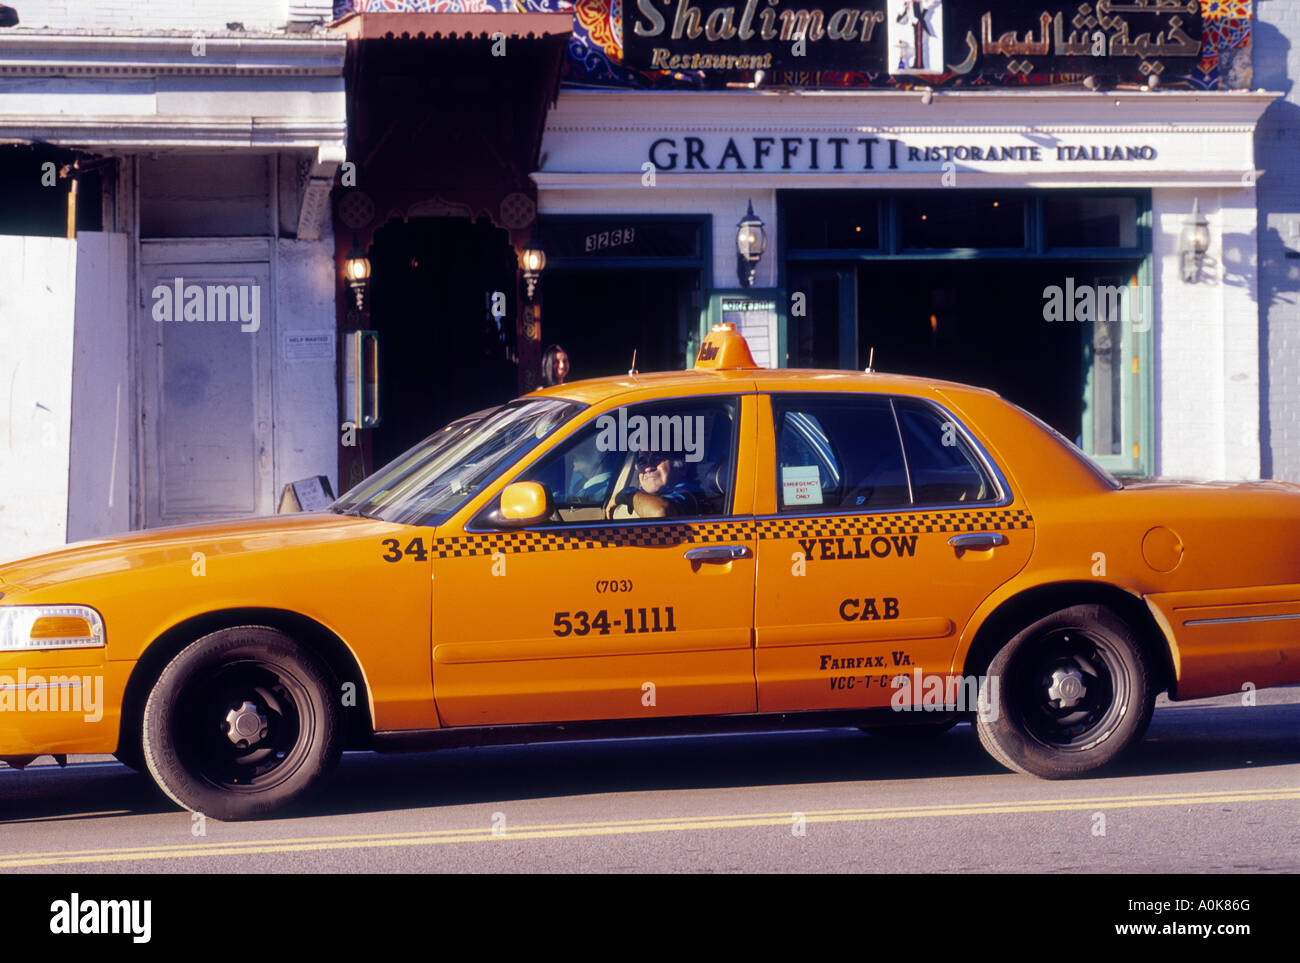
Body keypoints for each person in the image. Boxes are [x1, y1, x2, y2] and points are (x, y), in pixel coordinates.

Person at [612, 450, 700, 518]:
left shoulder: (690, 495)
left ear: (683, 466)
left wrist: (628, 495)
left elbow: (660, 512)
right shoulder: (644, 496)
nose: (648, 468)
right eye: (642, 462)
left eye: (657, 458)